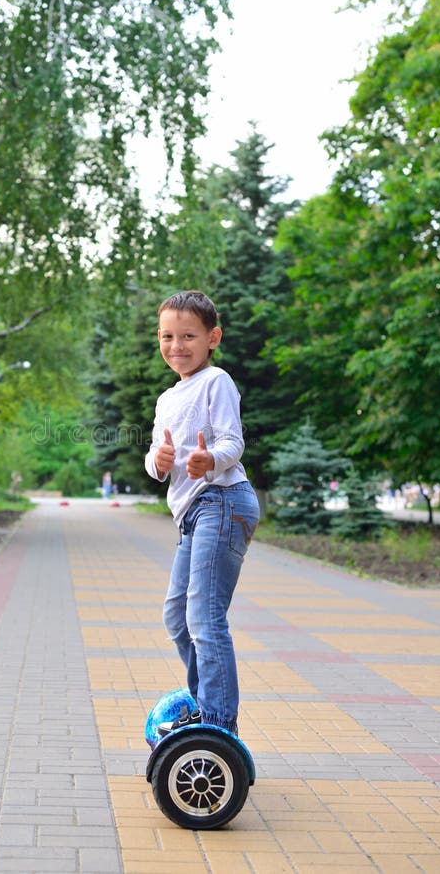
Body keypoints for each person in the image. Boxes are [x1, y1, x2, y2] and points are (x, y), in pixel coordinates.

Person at [144, 290, 259, 735]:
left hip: (224, 501)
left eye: (188, 336)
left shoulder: (217, 382)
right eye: (168, 336)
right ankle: (206, 704)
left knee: (204, 617)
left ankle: (217, 723)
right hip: (192, 512)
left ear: (213, 337)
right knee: (177, 617)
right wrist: (162, 459)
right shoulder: (166, 398)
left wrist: (210, 461)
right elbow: (155, 461)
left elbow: (233, 442)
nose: (177, 346)